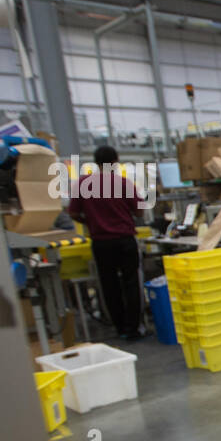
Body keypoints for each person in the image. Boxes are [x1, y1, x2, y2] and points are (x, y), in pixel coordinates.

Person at [69, 145, 145, 339]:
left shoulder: (83, 184)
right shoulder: (123, 183)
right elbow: (139, 211)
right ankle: (134, 329)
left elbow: (73, 213)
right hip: (125, 239)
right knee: (131, 284)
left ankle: (119, 328)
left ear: (95, 162)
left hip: (101, 242)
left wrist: (92, 221)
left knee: (109, 284)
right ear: (115, 162)